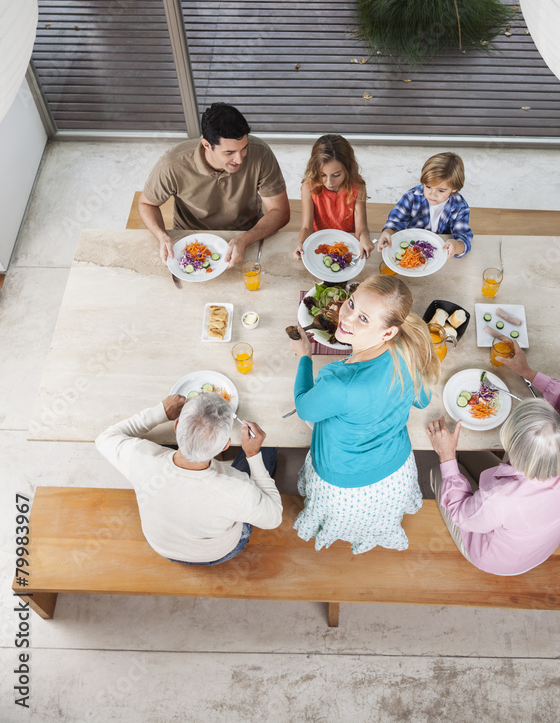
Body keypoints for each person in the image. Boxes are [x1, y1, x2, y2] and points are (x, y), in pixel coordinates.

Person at [286, 274, 439, 554]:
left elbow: (305, 407)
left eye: (364, 319)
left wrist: (304, 357)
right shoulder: (409, 352)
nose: (347, 317)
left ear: (388, 332)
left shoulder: (338, 381)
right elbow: (422, 399)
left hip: (342, 485)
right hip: (396, 473)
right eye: (352, 303)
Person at [426, 337, 560, 576]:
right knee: (466, 456)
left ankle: (446, 464)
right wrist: (529, 372)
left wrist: (446, 456)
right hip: (537, 543)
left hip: (497, 559)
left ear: (513, 449)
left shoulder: (501, 498)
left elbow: (463, 516)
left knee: (438, 472)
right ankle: (456, 463)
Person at [95, 391, 282, 565]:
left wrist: (159, 412)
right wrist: (253, 454)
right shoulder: (239, 488)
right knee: (266, 448)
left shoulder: (140, 457)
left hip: (162, 547)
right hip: (217, 553)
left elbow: (104, 438)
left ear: (176, 426)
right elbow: (274, 518)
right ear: (225, 445)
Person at [138, 102, 290, 267]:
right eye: (229, 152)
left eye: (244, 148)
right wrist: (162, 236)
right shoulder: (172, 164)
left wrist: (245, 238)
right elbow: (147, 203)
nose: (239, 159)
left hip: (248, 232)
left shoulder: (261, 152)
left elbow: (280, 211)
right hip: (190, 237)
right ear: (206, 145)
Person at [293, 134, 374, 261]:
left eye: (336, 175)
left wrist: (364, 237)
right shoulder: (308, 187)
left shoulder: (357, 187)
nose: (329, 182)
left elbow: (361, 227)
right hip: (319, 244)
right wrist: (301, 244)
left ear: (347, 169)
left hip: (348, 243)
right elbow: (306, 227)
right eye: (323, 175)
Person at [377, 152, 473, 258]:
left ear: (454, 188)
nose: (432, 194)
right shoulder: (412, 196)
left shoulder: (460, 207)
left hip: (441, 253)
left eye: (441, 190)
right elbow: (395, 222)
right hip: (412, 249)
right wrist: (387, 232)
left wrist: (455, 245)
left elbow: (464, 239)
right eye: (428, 187)